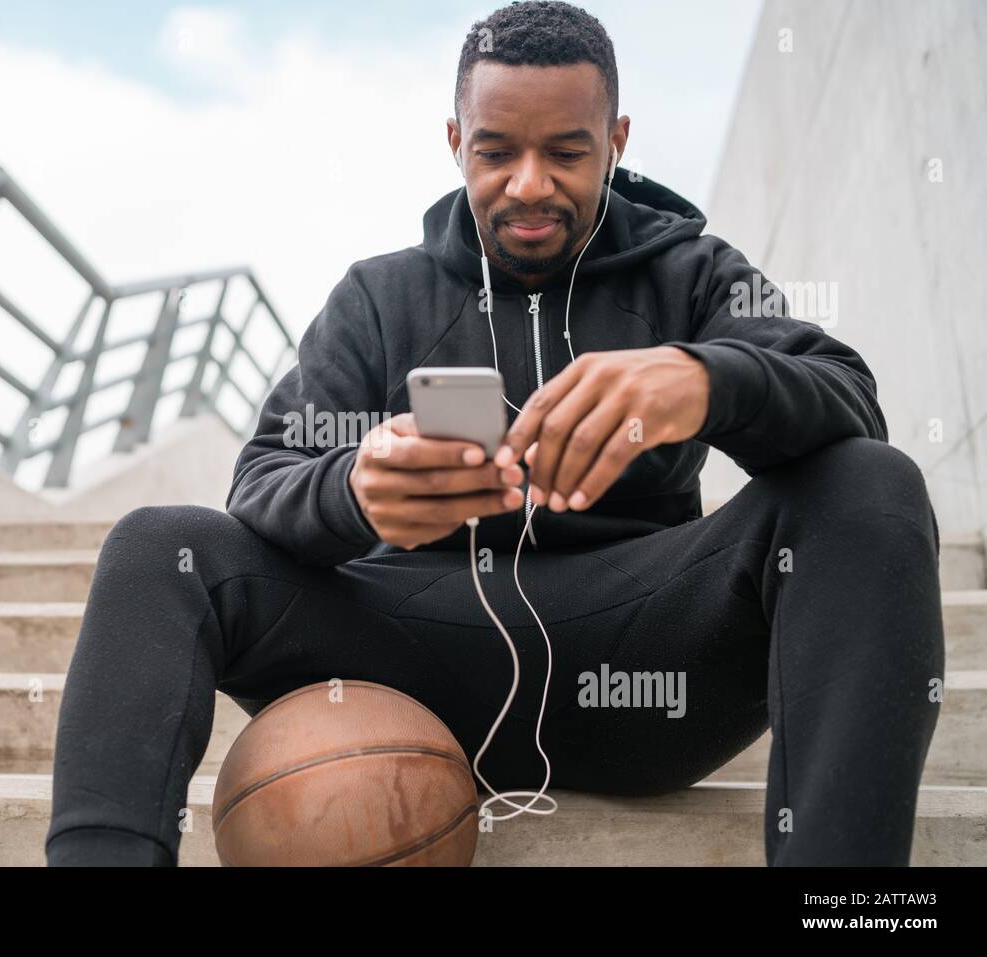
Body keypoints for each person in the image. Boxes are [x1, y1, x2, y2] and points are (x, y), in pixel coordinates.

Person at [46, 0, 943, 867]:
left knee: (870, 482)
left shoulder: (695, 273)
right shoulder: (379, 296)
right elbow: (263, 483)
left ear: (617, 143)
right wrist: (354, 489)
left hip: (647, 662)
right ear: (454, 143)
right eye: (496, 151)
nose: (528, 185)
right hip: (406, 655)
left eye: (565, 152)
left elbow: (850, 400)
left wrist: (705, 379)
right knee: (157, 545)